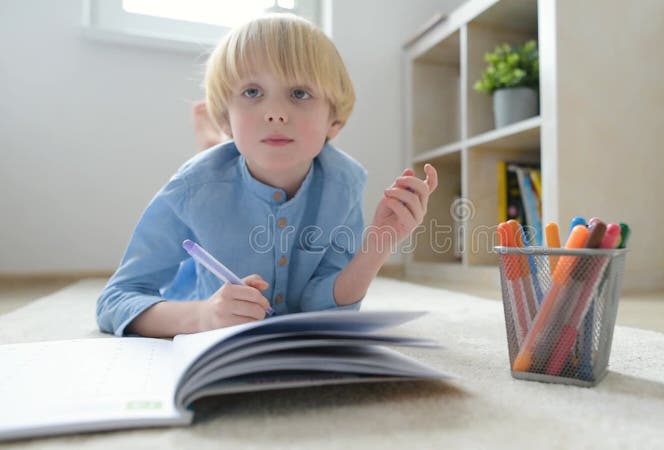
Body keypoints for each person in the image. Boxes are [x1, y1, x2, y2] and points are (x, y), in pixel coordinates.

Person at [96, 13, 438, 338]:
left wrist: (379, 242)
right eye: (252, 92)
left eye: (299, 94)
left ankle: (220, 142)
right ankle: (213, 144)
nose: (275, 113)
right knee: (213, 168)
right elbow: (117, 299)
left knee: (239, 153)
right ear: (226, 117)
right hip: (198, 276)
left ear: (334, 121)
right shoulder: (191, 188)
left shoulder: (343, 184)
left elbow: (321, 306)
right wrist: (203, 315)